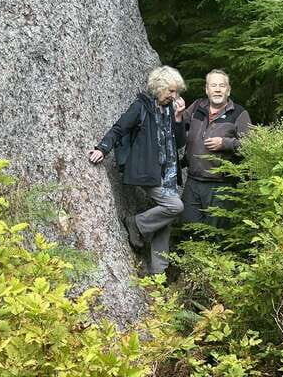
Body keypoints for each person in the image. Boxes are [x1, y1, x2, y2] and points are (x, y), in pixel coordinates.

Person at [88, 65, 187, 275]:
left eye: (176, 91)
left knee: (165, 222)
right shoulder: (141, 106)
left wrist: (178, 119)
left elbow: (178, 143)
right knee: (175, 207)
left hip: (168, 173)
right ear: (159, 88)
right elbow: (119, 128)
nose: (174, 96)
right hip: (147, 172)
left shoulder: (171, 110)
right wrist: (102, 148)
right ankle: (136, 223)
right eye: (171, 91)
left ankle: (158, 273)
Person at [180, 69, 251, 228]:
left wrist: (225, 143)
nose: (217, 89)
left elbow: (251, 147)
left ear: (228, 90)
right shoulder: (197, 106)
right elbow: (177, 126)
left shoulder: (239, 113)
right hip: (192, 181)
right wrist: (176, 114)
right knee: (188, 229)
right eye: (213, 85)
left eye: (222, 85)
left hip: (221, 185)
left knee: (215, 233)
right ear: (207, 89)